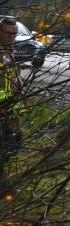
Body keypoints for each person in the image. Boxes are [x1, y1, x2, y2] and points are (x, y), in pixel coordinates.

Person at [0, 17, 24, 180]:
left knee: (14, 144)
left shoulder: (9, 51)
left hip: (11, 106)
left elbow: (15, 77)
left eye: (14, 34)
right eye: (8, 33)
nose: (11, 37)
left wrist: (22, 97)